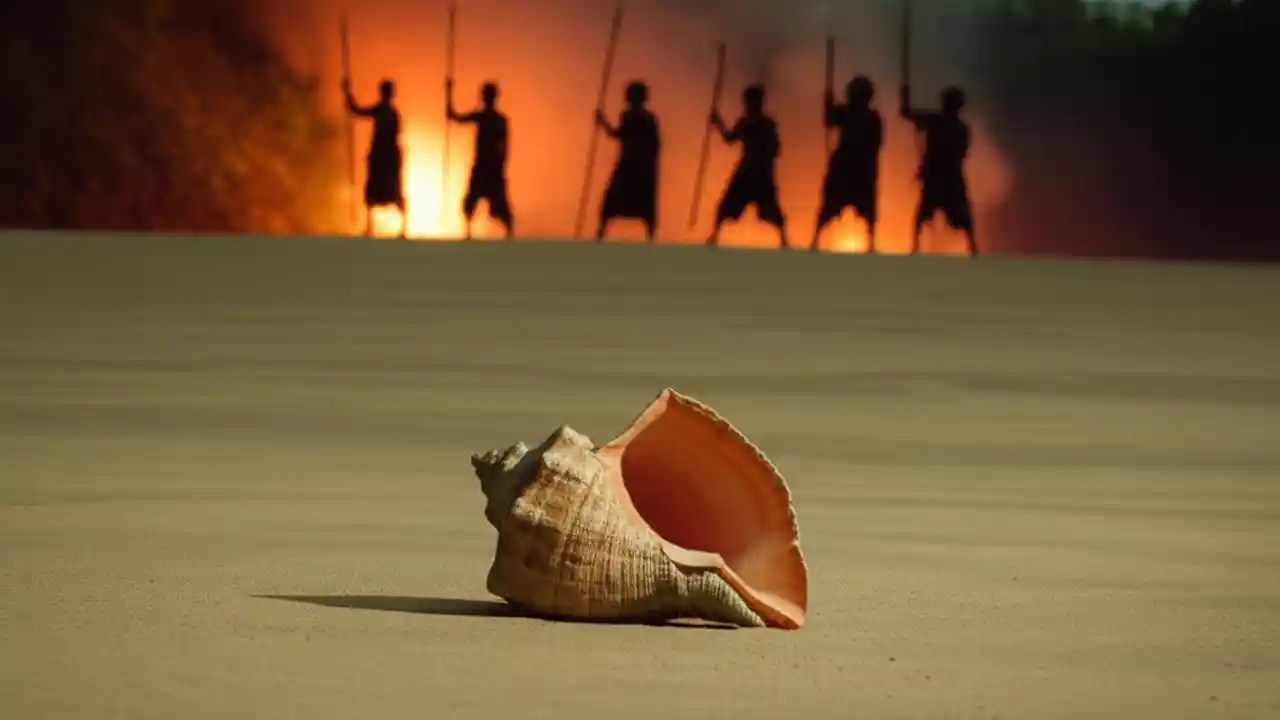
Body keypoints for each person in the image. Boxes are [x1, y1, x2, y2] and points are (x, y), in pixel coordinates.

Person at [900, 84, 978, 256]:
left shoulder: (946, 125)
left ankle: (972, 248)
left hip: (944, 178)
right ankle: (916, 248)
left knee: (961, 217)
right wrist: (904, 96)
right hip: (943, 178)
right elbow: (907, 113)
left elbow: (960, 153)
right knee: (925, 215)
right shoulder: (949, 125)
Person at [708, 85, 788, 249]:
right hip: (746, 171)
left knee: (771, 210)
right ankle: (714, 236)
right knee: (726, 206)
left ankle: (784, 240)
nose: (749, 105)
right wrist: (718, 122)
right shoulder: (744, 123)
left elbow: (776, 147)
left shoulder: (767, 124)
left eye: (752, 102)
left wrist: (769, 151)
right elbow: (730, 138)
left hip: (761, 172)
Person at [814, 75, 883, 253]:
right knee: (830, 207)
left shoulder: (870, 117)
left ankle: (871, 244)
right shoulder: (848, 112)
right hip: (847, 169)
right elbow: (829, 121)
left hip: (857, 168)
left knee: (866, 211)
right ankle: (815, 239)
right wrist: (827, 103)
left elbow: (876, 144)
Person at [446, 80, 514, 239]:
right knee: (473, 203)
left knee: (492, 206)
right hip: (490, 168)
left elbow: (454, 117)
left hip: (489, 168)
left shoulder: (491, 119)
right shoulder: (495, 119)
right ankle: (469, 234)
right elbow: (453, 116)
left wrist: (449, 91)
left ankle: (506, 234)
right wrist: (449, 92)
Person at [595, 81, 660, 242]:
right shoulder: (627, 116)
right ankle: (600, 235)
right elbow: (619, 134)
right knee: (610, 202)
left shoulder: (648, 119)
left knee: (643, 206)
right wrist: (603, 122)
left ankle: (650, 238)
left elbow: (654, 145)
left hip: (638, 168)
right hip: (627, 165)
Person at [343, 78, 406, 238]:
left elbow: (356, 110)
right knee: (380, 187)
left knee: (388, 188)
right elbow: (356, 110)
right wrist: (347, 93)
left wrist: (347, 93)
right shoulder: (391, 113)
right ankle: (373, 226)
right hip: (386, 154)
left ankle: (397, 226)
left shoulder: (386, 112)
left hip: (384, 154)